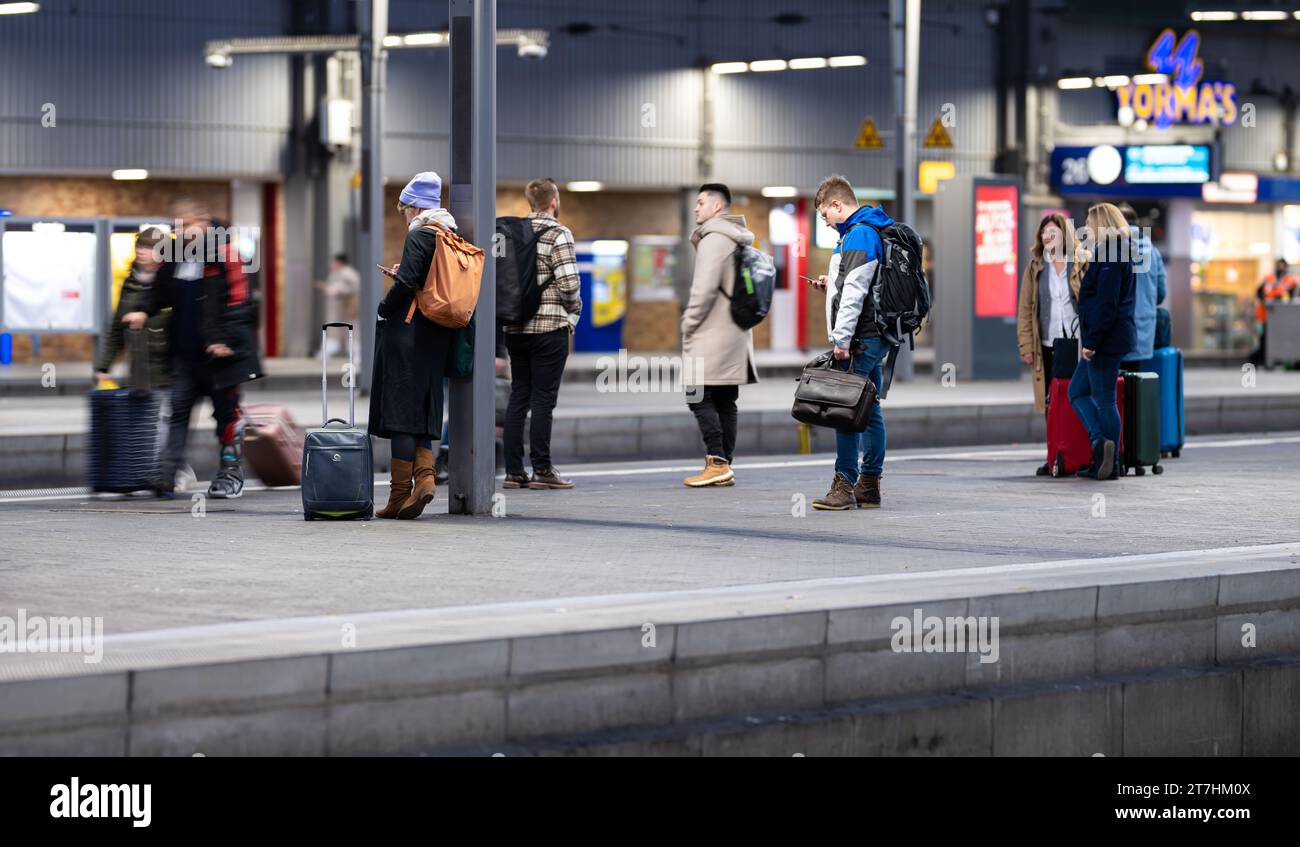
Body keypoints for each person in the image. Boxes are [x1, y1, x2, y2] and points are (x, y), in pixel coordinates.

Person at [124, 198, 263, 499]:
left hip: (221, 357)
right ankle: (166, 474)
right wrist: (142, 310)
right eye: (177, 226)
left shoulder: (226, 253)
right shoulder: (173, 256)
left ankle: (229, 475)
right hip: (185, 356)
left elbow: (241, 304)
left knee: (226, 418)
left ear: (202, 221)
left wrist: (225, 340)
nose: (182, 231)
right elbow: (158, 291)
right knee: (177, 414)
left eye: (187, 225)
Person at [370, 172, 457, 519]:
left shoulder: (420, 233)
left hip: (407, 332)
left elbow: (408, 284)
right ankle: (424, 479)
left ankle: (398, 497)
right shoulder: (448, 234)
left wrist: (383, 308)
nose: (404, 215)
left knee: (401, 415)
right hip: (435, 335)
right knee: (421, 411)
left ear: (414, 207)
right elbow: (425, 281)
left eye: (404, 208)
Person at [808, 174, 894, 511]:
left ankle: (845, 484)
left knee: (845, 408)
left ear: (837, 204)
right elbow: (858, 282)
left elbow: (856, 291)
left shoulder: (858, 234)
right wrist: (831, 285)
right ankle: (869, 485)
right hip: (875, 333)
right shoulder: (868, 230)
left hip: (862, 337)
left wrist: (841, 340)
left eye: (825, 215)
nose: (826, 223)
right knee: (868, 408)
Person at [501, 178, 582, 491]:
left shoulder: (512, 232)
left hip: (515, 328)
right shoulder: (558, 233)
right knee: (544, 400)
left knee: (518, 395)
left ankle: (512, 471)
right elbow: (569, 285)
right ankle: (543, 470)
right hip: (549, 328)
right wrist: (574, 311)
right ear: (554, 201)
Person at [680, 182, 758, 488]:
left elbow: (704, 288)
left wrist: (688, 322)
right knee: (725, 400)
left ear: (717, 207)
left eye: (701, 202)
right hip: (735, 332)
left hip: (712, 332)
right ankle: (724, 464)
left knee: (696, 393)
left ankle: (717, 461)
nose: (696, 207)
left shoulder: (715, 238)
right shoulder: (738, 239)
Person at [1069, 202, 1138, 481]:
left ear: (1102, 223)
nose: (1085, 227)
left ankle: (1108, 459)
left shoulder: (1111, 253)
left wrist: (1092, 341)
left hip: (1105, 340)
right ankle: (1103, 449)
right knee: (1077, 391)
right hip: (1106, 337)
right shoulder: (1113, 251)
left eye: (1089, 221)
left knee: (1106, 400)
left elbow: (1106, 304)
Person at [1016, 213, 1088, 476]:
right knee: (1051, 402)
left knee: (1077, 397)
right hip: (1047, 343)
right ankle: (1054, 456)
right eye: (1044, 232)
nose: (1047, 237)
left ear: (1064, 236)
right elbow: (1025, 309)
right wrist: (1026, 346)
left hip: (1077, 343)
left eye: (1053, 232)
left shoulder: (1080, 263)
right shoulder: (1035, 267)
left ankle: (1079, 453)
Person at [96, 227, 171, 390]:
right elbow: (117, 327)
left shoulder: (171, 283)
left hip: (171, 372)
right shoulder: (130, 284)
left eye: (149, 248)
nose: (142, 252)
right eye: (140, 247)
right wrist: (104, 366)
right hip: (140, 371)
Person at [1117, 203, 1167, 367]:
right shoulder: (1153, 252)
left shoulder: (1109, 250)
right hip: (1144, 332)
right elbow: (1160, 293)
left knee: (1114, 387)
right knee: (1139, 386)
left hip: (1116, 333)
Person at [1250, 258, 1297, 367]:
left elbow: (1292, 296)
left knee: (1278, 339)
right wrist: (1265, 301)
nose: (1280, 268)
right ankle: (1259, 360)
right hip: (1265, 316)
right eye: (1278, 265)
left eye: (1282, 265)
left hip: (1282, 317)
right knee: (1264, 339)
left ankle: (1267, 360)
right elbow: (1259, 293)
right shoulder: (1269, 278)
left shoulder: (1290, 280)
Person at [317, 254, 360, 357]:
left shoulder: (347, 273)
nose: (332, 265)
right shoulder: (338, 273)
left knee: (352, 333)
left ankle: (356, 355)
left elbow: (348, 288)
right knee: (339, 333)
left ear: (339, 262)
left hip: (349, 309)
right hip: (340, 309)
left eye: (333, 262)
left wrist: (333, 290)